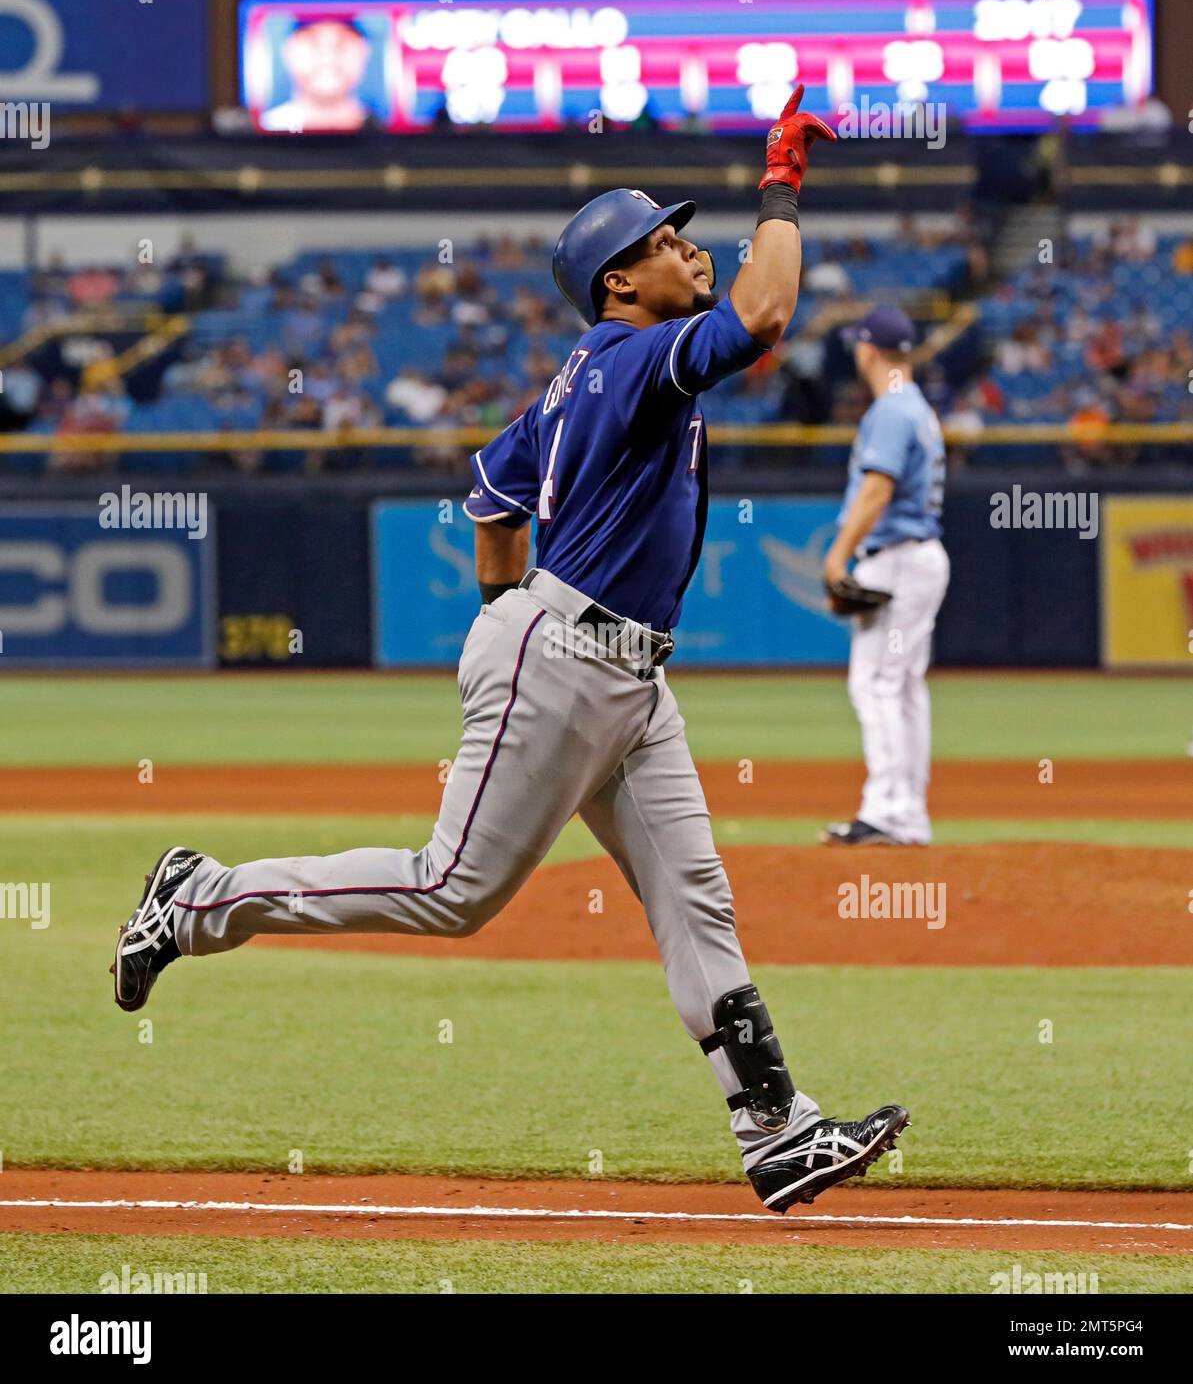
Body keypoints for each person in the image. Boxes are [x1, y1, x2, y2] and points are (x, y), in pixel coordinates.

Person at [111, 90, 909, 1215]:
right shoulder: (631, 360)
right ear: (619, 284)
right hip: (569, 655)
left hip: (616, 673)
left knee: (695, 900)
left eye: (688, 233)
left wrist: (498, 610)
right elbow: (766, 315)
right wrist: (778, 176)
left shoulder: (573, 377)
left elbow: (488, 492)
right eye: (666, 241)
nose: (690, 248)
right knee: (452, 890)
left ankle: (775, 1130)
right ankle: (197, 900)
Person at [820, 306, 950, 847]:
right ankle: (906, 811)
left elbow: (877, 490)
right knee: (902, 687)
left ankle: (890, 812)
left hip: (896, 554)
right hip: (918, 555)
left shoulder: (893, 411)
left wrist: (837, 557)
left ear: (868, 351)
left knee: (877, 684)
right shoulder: (916, 407)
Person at [260, 16, 374, 134]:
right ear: (289, 51)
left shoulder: (380, 127)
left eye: (342, 42)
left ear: (364, 52)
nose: (328, 58)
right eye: (313, 42)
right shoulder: (267, 127)